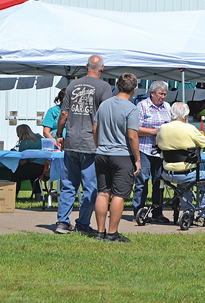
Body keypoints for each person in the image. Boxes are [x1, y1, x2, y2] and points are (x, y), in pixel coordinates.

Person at [54, 54, 112, 235]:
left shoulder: (72, 85)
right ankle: (83, 223)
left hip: (71, 140)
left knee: (68, 185)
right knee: (90, 187)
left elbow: (63, 113)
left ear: (86, 66)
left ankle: (63, 222)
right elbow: (107, 116)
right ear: (102, 69)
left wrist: (59, 134)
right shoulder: (104, 87)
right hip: (91, 143)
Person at [92, 73, 141, 242]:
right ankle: (112, 233)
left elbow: (95, 129)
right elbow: (133, 136)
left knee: (103, 193)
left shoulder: (104, 105)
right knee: (119, 194)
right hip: (121, 155)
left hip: (102, 153)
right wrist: (138, 159)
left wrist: (98, 145)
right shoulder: (131, 108)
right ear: (134, 90)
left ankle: (100, 231)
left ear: (117, 86)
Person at [156, 102, 205, 224]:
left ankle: (188, 211)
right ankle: (203, 213)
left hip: (167, 172)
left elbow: (158, 144)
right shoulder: (190, 129)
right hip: (187, 172)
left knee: (183, 185)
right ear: (186, 116)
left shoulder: (162, 128)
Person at [132, 80, 171, 223]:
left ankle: (157, 212)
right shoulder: (142, 106)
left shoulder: (167, 107)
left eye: (165, 94)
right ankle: (139, 212)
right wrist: (153, 131)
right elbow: (134, 128)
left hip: (161, 151)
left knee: (159, 182)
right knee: (142, 181)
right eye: (161, 94)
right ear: (152, 93)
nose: (163, 97)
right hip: (144, 149)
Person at [0, 124, 45, 197]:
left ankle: (13, 195)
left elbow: (22, 162)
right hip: (43, 166)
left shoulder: (25, 142)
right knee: (34, 176)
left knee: (16, 174)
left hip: (34, 166)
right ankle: (38, 196)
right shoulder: (40, 138)